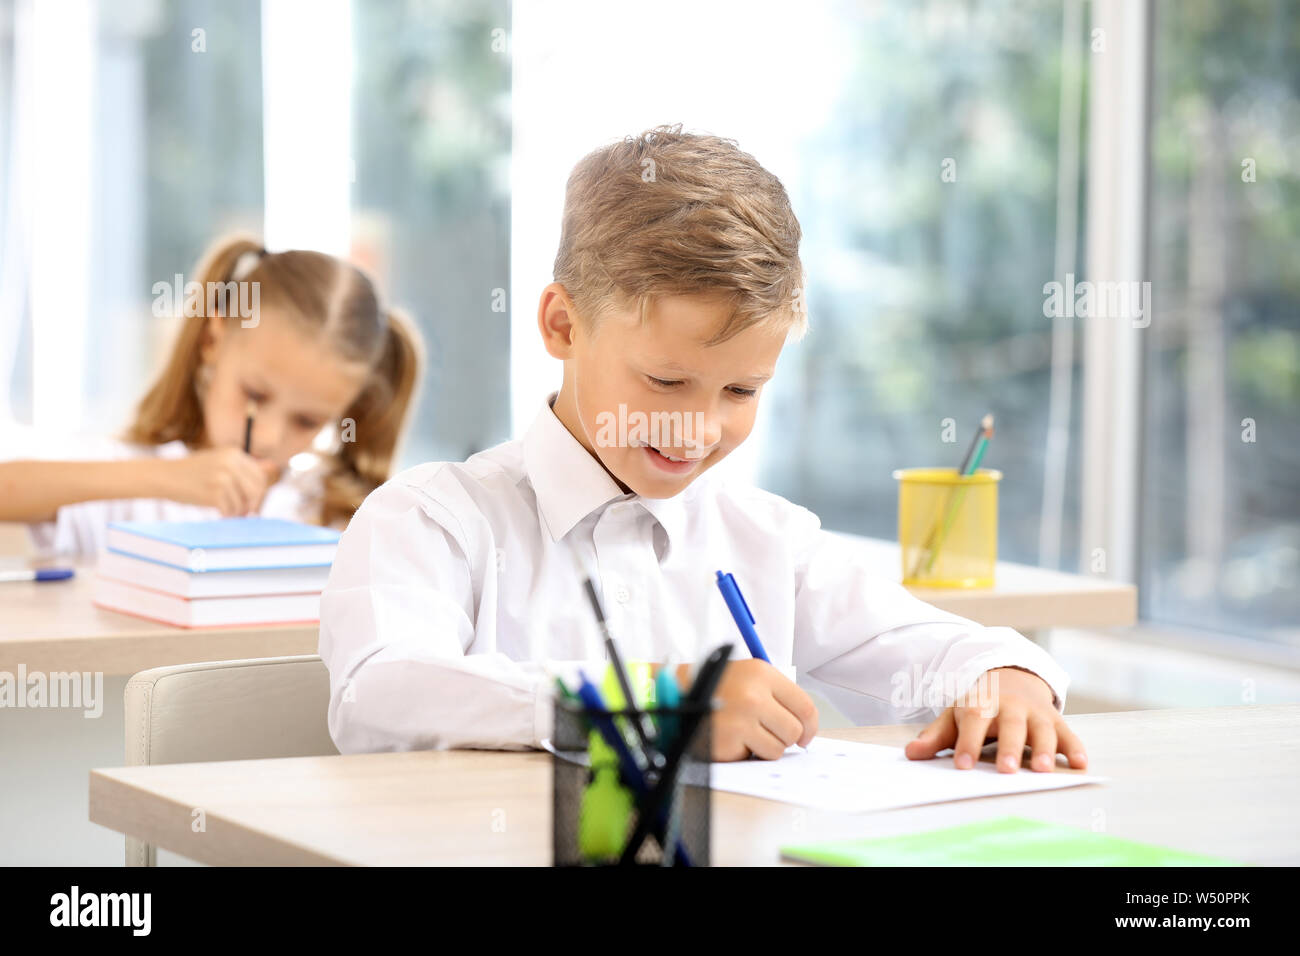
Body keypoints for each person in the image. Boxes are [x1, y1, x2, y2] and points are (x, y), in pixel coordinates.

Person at [320, 125, 1087, 772]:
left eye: (741, 392)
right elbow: (380, 697)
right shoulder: (433, 521)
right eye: (665, 379)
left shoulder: (768, 542)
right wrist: (651, 710)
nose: (699, 427)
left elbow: (923, 647)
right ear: (562, 325)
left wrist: (1005, 676)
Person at [0, 236, 423, 558]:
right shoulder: (128, 490)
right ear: (211, 340)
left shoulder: (335, 513)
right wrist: (169, 478)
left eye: (307, 421)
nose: (270, 438)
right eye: (255, 395)